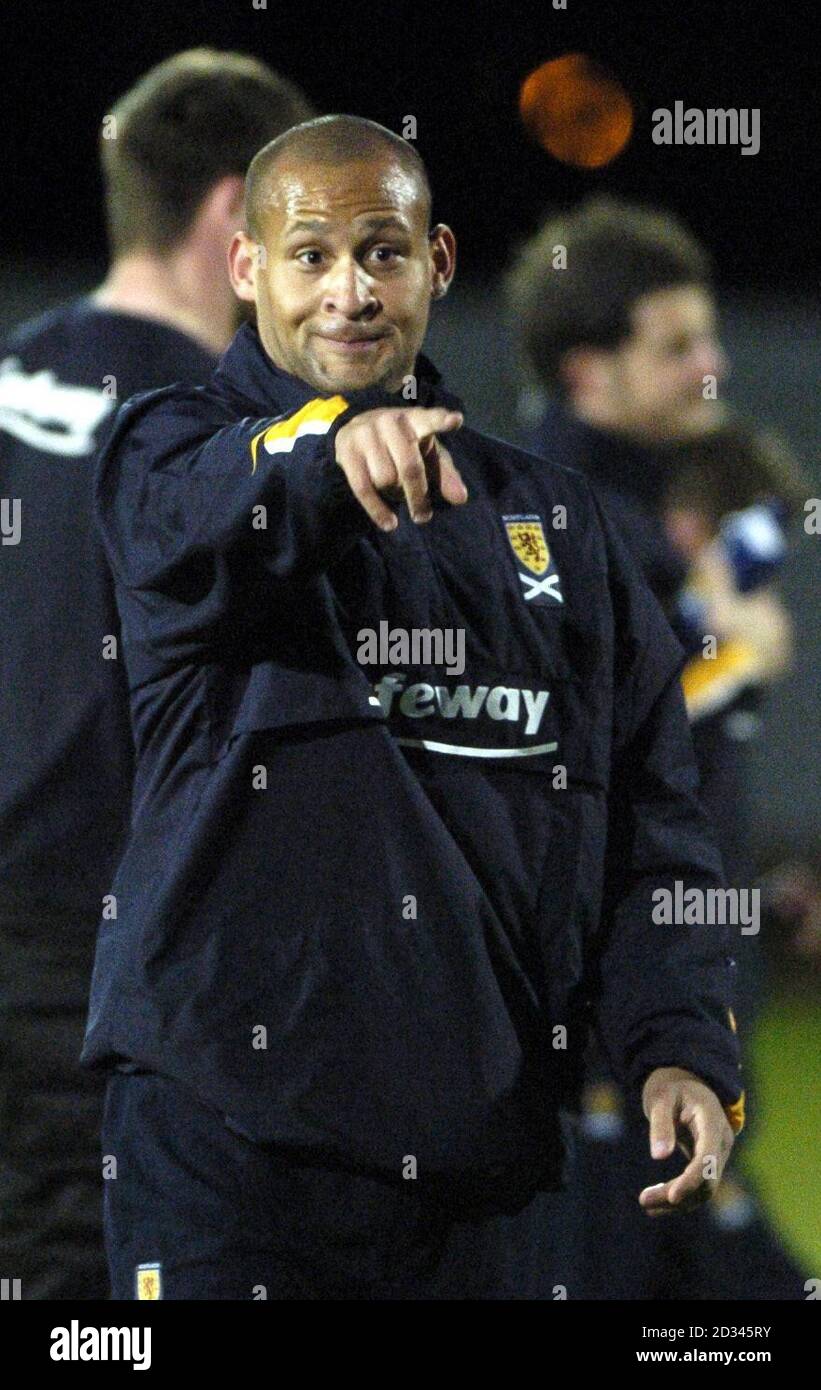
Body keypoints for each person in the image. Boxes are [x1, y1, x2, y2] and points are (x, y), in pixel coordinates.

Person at [82, 116, 744, 1301]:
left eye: (380, 252)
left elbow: (650, 826)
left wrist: (675, 1043)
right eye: (310, 255)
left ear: (436, 264)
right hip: (227, 1162)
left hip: (473, 1182)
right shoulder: (170, 453)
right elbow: (204, 510)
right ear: (246, 269)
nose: (348, 292)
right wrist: (328, 455)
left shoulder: (559, 526)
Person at [0, 48, 313, 1299]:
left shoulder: (15, 368)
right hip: (96, 939)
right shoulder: (213, 430)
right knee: (94, 1272)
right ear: (234, 218)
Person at [506, 196, 805, 1298]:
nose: (711, 367)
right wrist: (734, 659)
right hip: (609, 1051)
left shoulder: (653, 509)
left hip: (669, 1027)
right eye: (676, 346)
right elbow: (570, 757)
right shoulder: (551, 524)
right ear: (588, 374)